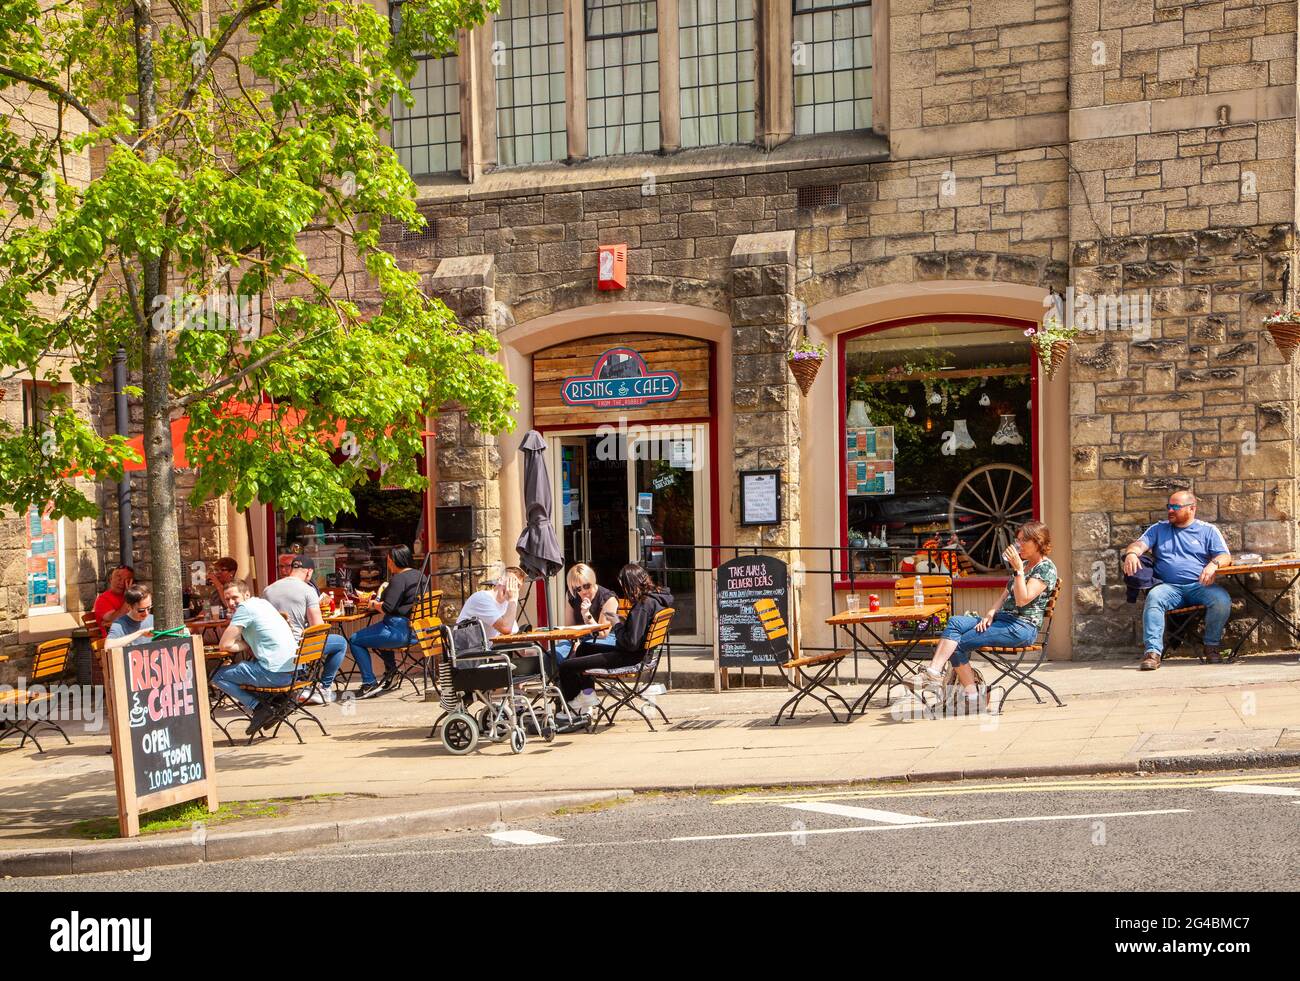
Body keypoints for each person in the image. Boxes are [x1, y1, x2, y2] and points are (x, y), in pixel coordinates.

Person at [906, 521, 1058, 713]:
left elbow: (1022, 600)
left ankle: (974, 697)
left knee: (958, 643)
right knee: (955, 622)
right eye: (1017, 540)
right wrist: (990, 613)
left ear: (1037, 542)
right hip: (1003, 620)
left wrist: (1018, 570)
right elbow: (1006, 594)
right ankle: (934, 673)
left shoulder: (1045, 568)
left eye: (1022, 541)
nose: (1017, 545)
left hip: (1022, 627)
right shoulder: (1025, 564)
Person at [1122, 491, 1232, 669]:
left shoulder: (1208, 530)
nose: (1170, 511)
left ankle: (1211, 646)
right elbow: (1138, 544)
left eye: (1175, 507)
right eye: (1169, 506)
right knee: (1154, 598)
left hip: (1200, 586)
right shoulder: (1159, 528)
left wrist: (1213, 565)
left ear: (1192, 509)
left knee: (1222, 600)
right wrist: (1132, 553)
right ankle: (1152, 653)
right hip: (1169, 588)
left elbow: (1225, 556)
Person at [557, 563, 672, 718]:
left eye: (624, 585)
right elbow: (634, 635)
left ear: (630, 584)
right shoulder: (655, 600)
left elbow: (630, 642)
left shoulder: (643, 605)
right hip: (637, 653)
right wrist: (619, 622)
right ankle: (588, 695)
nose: (624, 590)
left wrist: (617, 624)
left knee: (565, 666)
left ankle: (572, 708)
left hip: (631, 657)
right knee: (584, 648)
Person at [211, 578, 300, 734]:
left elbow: (224, 645)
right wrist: (251, 644)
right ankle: (277, 702)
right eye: (227, 599)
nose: (231, 603)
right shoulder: (262, 603)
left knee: (217, 676)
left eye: (234, 598)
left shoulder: (245, 609)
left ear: (246, 594)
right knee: (242, 669)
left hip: (275, 674)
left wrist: (247, 645)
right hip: (293, 672)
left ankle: (260, 708)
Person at [262, 556, 348, 705]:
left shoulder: (268, 590)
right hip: (298, 648)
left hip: (273, 647)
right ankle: (324, 688)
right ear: (309, 572)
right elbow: (318, 627)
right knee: (340, 643)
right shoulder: (307, 590)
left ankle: (301, 684)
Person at [348, 545, 424, 699]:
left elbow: (388, 608)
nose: (388, 564)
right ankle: (391, 673)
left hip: (398, 632)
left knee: (354, 639)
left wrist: (373, 604)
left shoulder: (399, 579)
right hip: (417, 631)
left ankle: (369, 683)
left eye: (389, 560)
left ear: (394, 560)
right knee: (376, 634)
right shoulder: (420, 575)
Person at [555, 563, 619, 661]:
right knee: (553, 655)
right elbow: (569, 627)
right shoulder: (571, 596)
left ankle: (576, 675)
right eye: (577, 589)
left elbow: (603, 634)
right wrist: (575, 640)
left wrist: (586, 615)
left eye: (586, 586)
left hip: (606, 639)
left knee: (581, 651)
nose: (583, 591)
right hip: (580, 637)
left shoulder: (608, 598)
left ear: (593, 581)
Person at [458, 565, 526, 640]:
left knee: (533, 650)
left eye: (517, 586)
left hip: (490, 649)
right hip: (468, 650)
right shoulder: (482, 597)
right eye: (511, 581)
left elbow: (514, 634)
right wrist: (513, 600)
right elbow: (506, 629)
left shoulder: (507, 604)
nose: (514, 588)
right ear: (500, 580)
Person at [104, 585, 154, 650]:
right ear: (129, 607)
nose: (146, 613)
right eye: (141, 610)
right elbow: (108, 647)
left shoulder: (153, 619)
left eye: (149, 608)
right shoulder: (120, 624)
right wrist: (140, 633)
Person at [92, 566, 134, 634]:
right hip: (113, 639)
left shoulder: (134, 597)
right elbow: (114, 619)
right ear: (110, 579)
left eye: (126, 580)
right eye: (119, 579)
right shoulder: (102, 600)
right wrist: (128, 597)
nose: (122, 583)